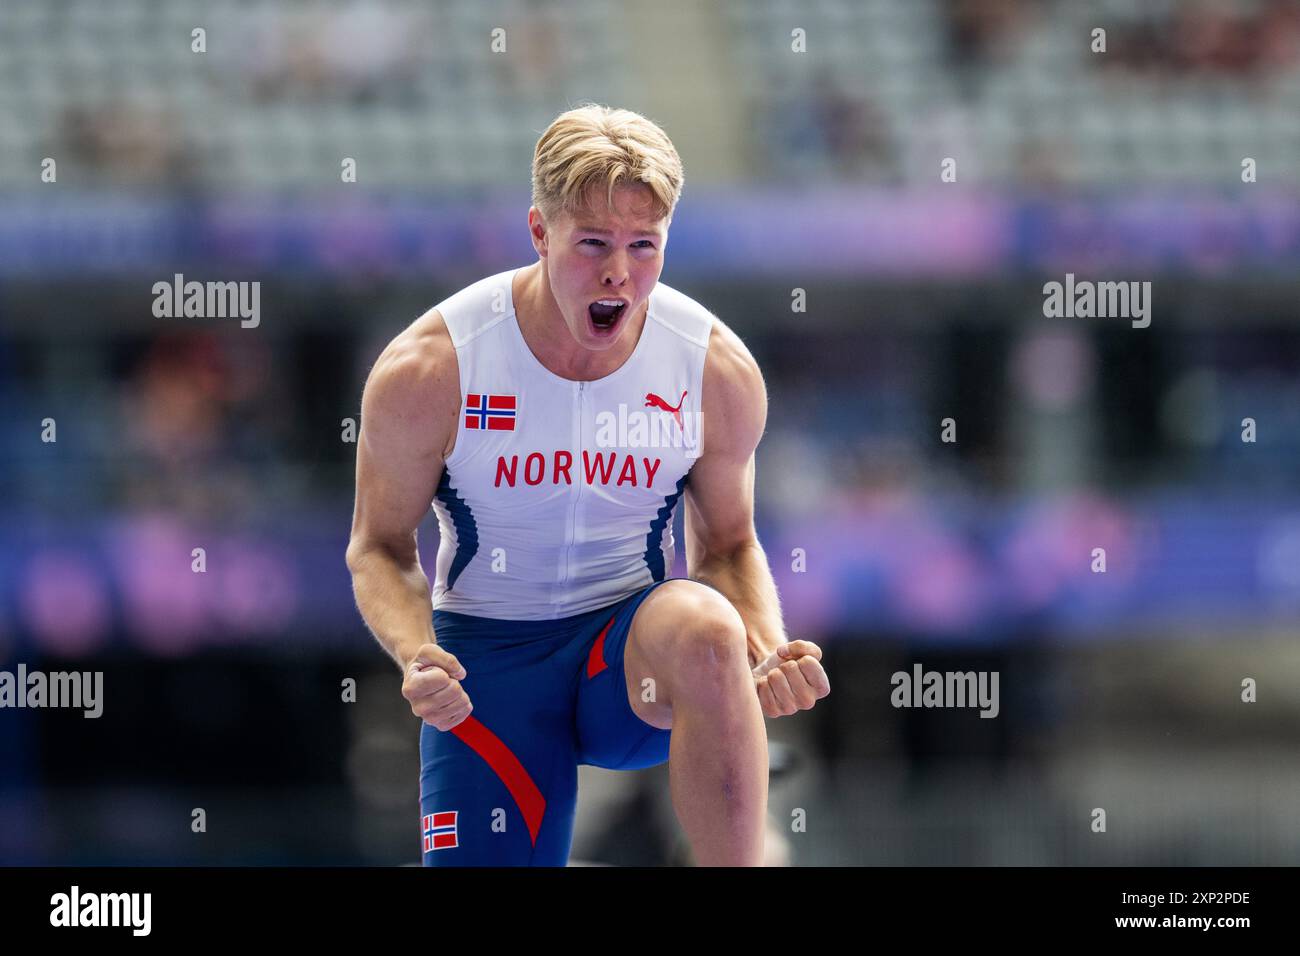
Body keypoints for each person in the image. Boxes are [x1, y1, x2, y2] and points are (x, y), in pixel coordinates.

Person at [345, 104, 829, 866]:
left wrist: (766, 648)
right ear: (539, 232)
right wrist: (416, 655)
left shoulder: (712, 368)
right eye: (594, 244)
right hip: (487, 671)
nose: (618, 274)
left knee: (709, 629)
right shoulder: (432, 368)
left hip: (626, 659)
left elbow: (730, 546)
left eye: (645, 247)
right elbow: (378, 547)